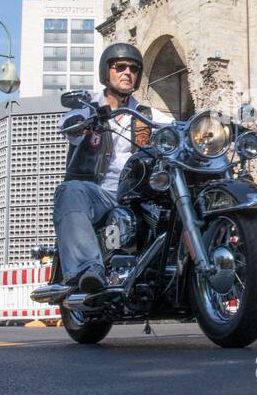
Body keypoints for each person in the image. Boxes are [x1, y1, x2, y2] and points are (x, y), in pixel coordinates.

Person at [52, 42, 170, 293]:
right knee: (70, 190)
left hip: (137, 195)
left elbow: (178, 127)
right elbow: (68, 124)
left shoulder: (147, 114)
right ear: (107, 72)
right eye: (120, 67)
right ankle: (87, 270)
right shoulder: (90, 109)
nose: (128, 72)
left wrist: (218, 125)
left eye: (134, 68)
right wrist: (81, 123)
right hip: (98, 195)